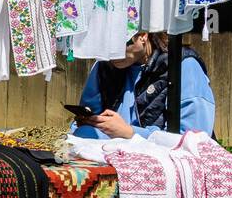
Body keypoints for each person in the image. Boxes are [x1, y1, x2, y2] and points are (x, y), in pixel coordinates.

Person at [73, 31, 214, 140]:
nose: (111, 53)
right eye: (104, 45)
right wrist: (86, 121)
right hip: (110, 150)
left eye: (118, 44)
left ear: (143, 35)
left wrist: (130, 133)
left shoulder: (182, 65)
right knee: (85, 133)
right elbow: (88, 115)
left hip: (162, 158)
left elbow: (193, 138)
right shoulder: (104, 66)